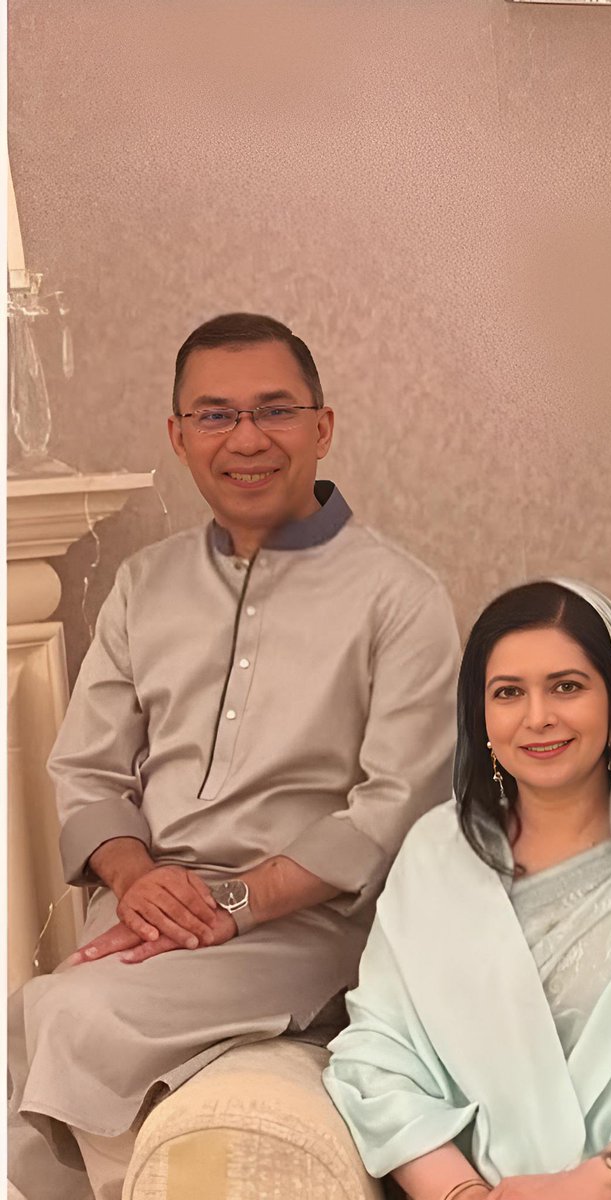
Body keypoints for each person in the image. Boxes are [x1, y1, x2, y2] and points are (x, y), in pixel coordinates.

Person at [8, 313, 461, 1200]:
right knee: (37, 1016)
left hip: (307, 926)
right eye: (214, 415)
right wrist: (138, 879)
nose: (245, 439)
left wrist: (236, 903)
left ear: (322, 427)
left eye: (274, 410)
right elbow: (86, 771)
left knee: (62, 1011)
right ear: (178, 437)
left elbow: (393, 809)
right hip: (151, 908)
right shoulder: (143, 586)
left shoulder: (402, 598)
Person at [323, 579, 611, 1200]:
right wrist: (462, 1194)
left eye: (567, 686)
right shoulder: (436, 855)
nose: (538, 717)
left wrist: (598, 1183)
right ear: (481, 715)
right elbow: (378, 1055)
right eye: (508, 693)